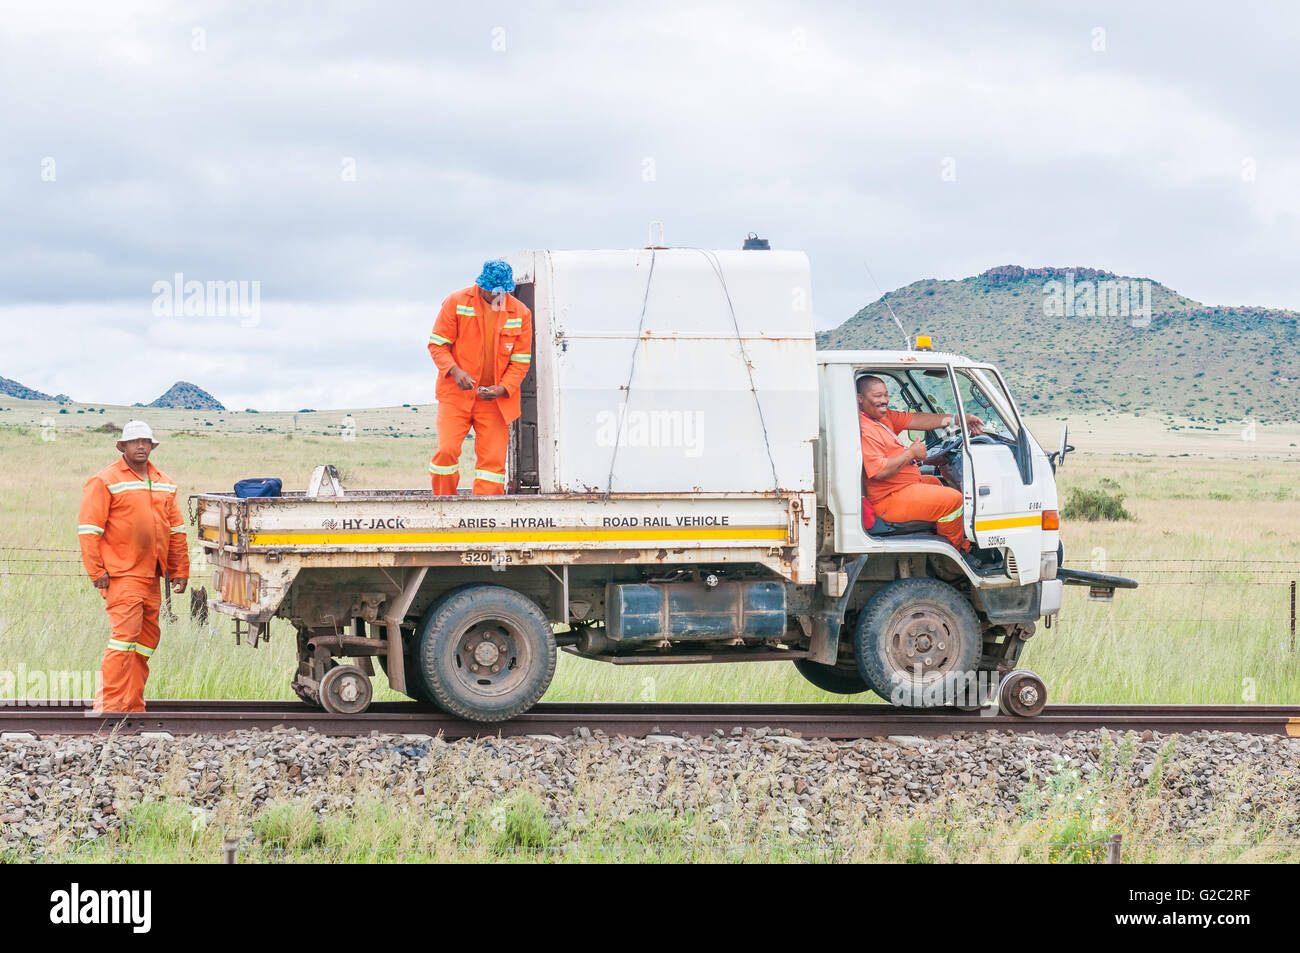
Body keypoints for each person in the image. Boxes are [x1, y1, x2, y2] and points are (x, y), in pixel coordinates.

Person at [77, 420, 189, 712]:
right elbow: (89, 531)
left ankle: (132, 705)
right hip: (122, 575)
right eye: (135, 441)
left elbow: (176, 531)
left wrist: (179, 570)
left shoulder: (164, 482)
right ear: (122, 446)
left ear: (152, 446)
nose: (141, 446)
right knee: (124, 639)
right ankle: (110, 709)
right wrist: (97, 572)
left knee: (146, 640)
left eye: (146, 441)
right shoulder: (105, 480)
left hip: (152, 575)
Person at [857, 375, 996, 568]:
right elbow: (879, 471)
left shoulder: (882, 418)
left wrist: (958, 419)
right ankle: (957, 555)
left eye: (886, 395)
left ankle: (941, 541)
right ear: (860, 398)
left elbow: (918, 419)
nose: (884, 400)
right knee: (953, 500)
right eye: (878, 395)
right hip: (887, 499)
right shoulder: (866, 429)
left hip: (901, 488)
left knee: (934, 481)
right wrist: (911, 453)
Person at [427, 260, 533, 495]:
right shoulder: (456, 302)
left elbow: (520, 361)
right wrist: (455, 371)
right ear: (481, 286)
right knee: (446, 452)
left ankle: (485, 520)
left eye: (503, 291)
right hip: (456, 396)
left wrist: (503, 388)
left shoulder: (521, 313)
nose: (498, 295)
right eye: (493, 291)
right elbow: (437, 346)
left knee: (492, 464)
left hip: (495, 402)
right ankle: (444, 509)